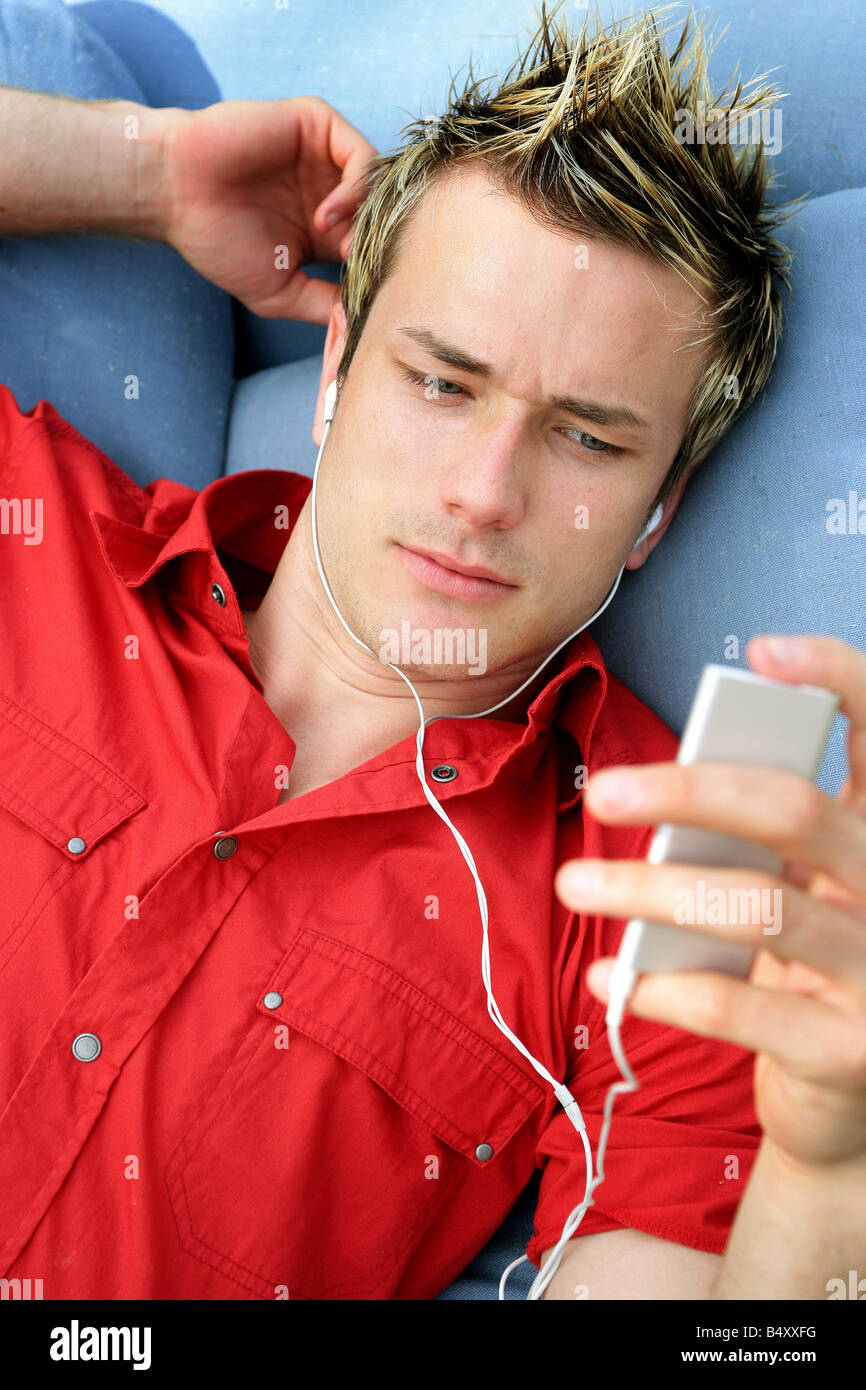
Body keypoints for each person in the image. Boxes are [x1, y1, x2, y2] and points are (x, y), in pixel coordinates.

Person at [0, 0, 864, 1302]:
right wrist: (146, 171)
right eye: (442, 382)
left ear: (660, 509)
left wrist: (822, 1166)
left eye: (585, 435)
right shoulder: (38, 531)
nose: (481, 491)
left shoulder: (665, 875)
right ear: (336, 368)